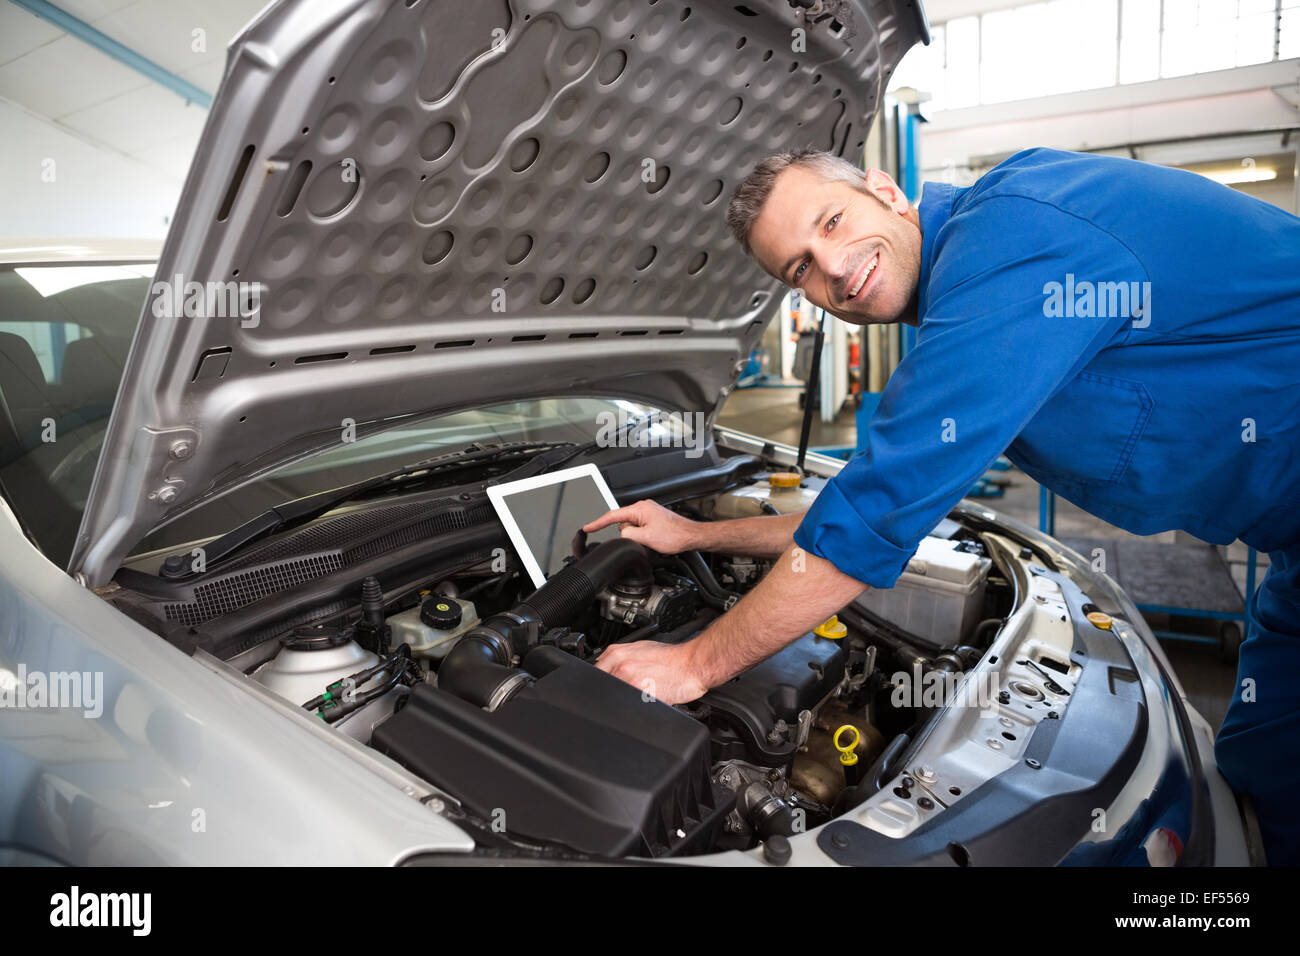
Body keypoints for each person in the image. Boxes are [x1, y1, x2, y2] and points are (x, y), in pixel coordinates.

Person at [584, 146, 1300, 864]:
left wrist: (696, 665)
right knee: (1265, 772)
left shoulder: (1012, 238)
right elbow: (872, 504)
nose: (830, 268)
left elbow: (875, 513)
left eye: (832, 222)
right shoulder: (976, 275)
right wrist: (695, 536)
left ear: (887, 192)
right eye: (798, 268)